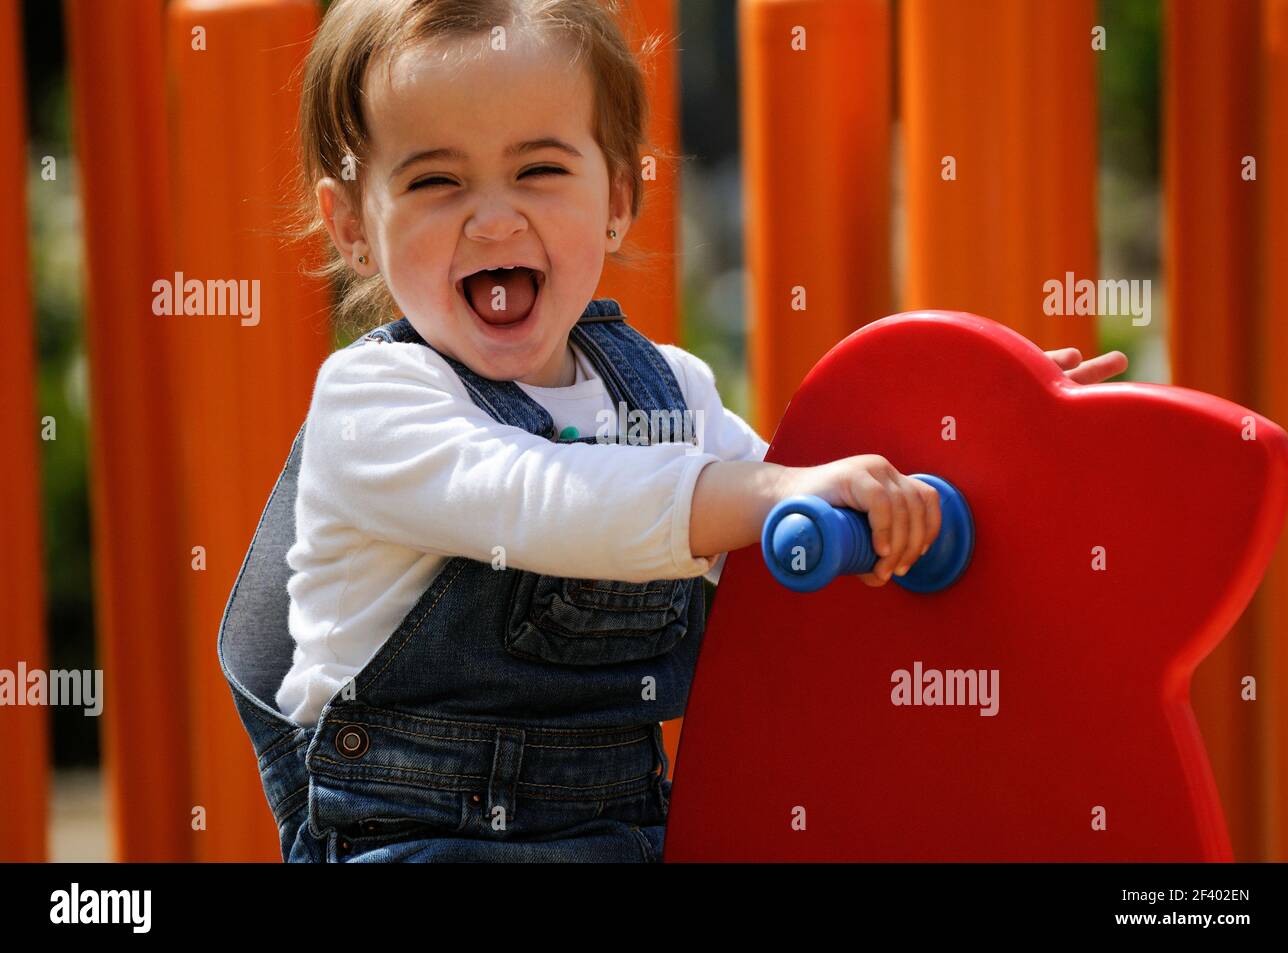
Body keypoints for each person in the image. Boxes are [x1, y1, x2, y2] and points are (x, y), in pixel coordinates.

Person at [218, 0, 1126, 863]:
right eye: (434, 180)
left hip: (634, 830)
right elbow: (543, 499)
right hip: (415, 839)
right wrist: (771, 491)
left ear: (617, 195)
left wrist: (975, 444)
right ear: (353, 230)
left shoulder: (664, 391)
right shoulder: (374, 400)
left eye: (538, 168)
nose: (493, 216)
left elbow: (794, 526)